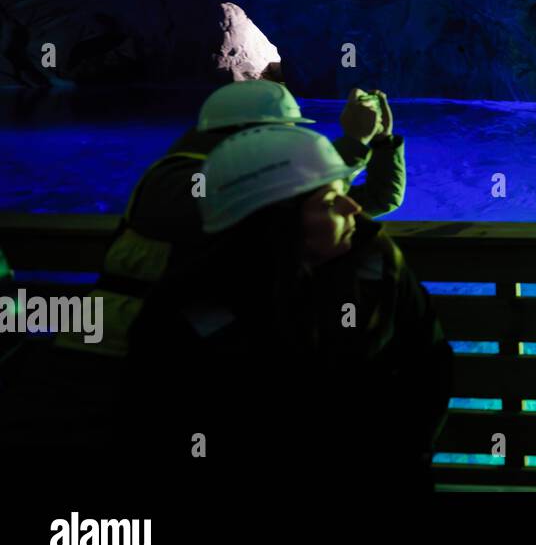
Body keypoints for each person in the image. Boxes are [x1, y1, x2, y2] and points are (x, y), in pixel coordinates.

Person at [121, 124, 452, 498]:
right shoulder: (185, 313)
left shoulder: (377, 265)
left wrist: (404, 459)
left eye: (345, 192)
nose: (354, 207)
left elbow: (428, 365)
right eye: (330, 201)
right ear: (276, 223)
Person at [59, 80, 404, 357]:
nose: (289, 140)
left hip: (174, 348)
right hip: (111, 351)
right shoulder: (180, 177)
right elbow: (273, 205)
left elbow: (377, 199)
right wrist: (355, 143)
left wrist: (383, 141)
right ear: (246, 132)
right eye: (283, 130)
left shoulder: (253, 181)